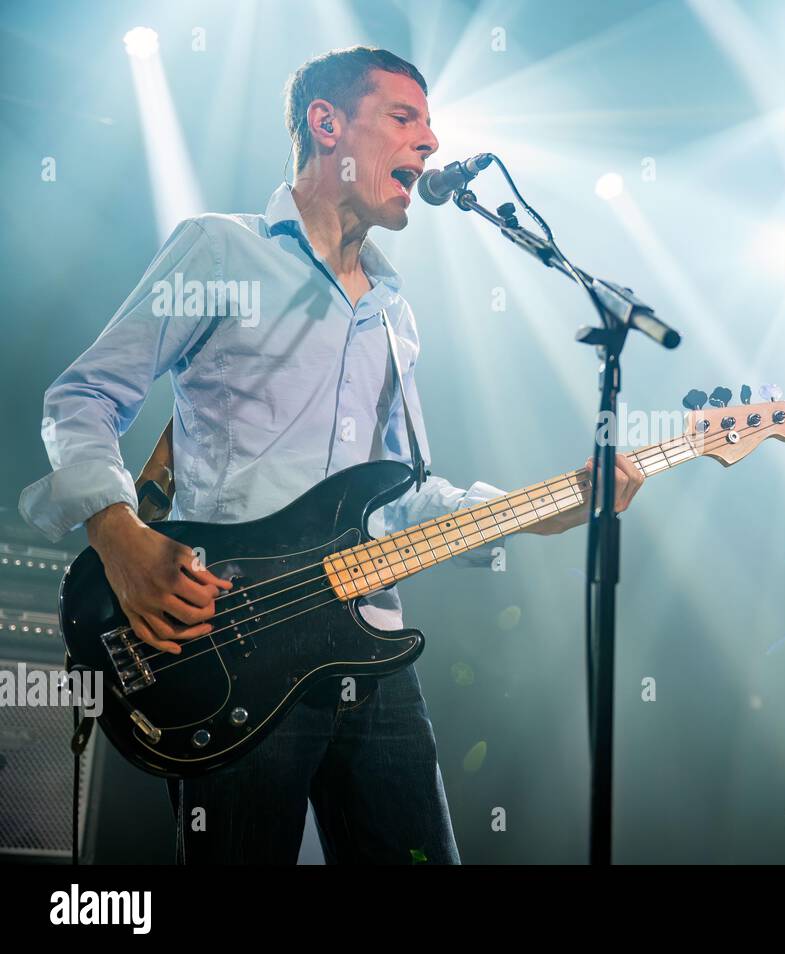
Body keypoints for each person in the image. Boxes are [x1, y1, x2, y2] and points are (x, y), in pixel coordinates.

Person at [19, 46, 644, 864]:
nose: (429, 141)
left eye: (429, 123)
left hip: (371, 642)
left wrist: (551, 505)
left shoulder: (395, 312)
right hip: (231, 641)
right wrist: (119, 534)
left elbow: (402, 497)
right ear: (326, 124)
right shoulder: (220, 251)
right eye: (403, 117)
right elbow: (81, 398)